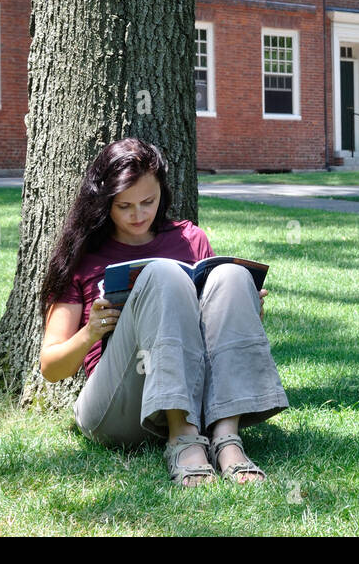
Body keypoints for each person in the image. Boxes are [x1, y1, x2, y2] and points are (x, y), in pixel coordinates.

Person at [39, 138, 289, 487]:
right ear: (104, 201)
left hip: (193, 396)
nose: (138, 215)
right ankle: (182, 439)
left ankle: (226, 439)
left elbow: (208, 335)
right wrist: (90, 332)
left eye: (148, 202)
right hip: (117, 409)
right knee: (163, 272)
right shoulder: (83, 255)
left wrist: (244, 307)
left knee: (232, 275)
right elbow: (50, 368)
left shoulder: (189, 238)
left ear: (162, 194)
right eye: (124, 205)